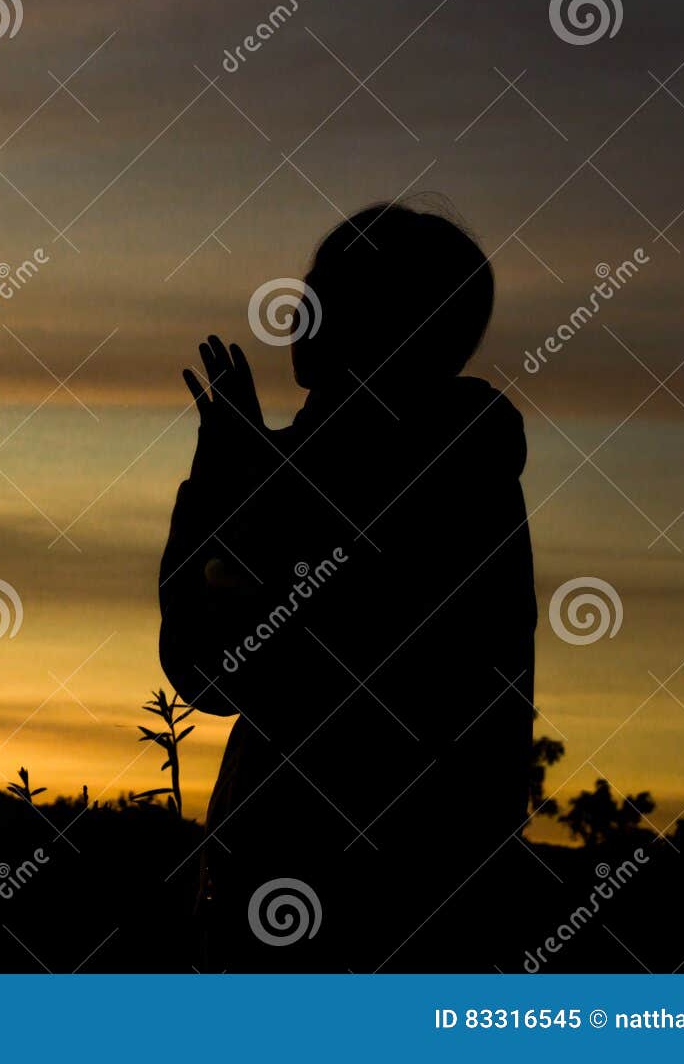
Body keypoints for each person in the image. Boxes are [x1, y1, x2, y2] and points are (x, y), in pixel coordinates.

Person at [158, 202, 536, 971]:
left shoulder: (427, 478)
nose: (300, 303)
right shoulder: (392, 463)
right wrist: (236, 475)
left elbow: (214, 670)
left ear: (390, 316)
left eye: (330, 286)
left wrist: (229, 482)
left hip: (357, 921)